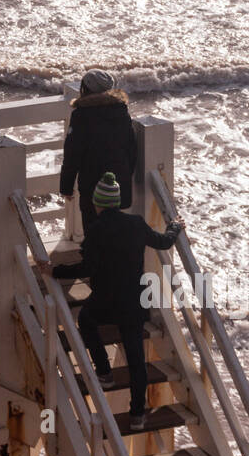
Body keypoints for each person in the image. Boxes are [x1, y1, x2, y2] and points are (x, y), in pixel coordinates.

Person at [43, 172, 183, 432]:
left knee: (86, 320)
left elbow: (86, 268)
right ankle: (137, 414)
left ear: (97, 204)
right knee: (136, 360)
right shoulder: (136, 224)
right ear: (117, 203)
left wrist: (55, 271)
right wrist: (175, 225)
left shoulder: (95, 231)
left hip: (106, 300)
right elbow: (163, 242)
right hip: (134, 301)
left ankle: (104, 372)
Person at [60, 68, 137, 238]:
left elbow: (73, 153)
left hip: (93, 185)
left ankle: (96, 262)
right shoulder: (121, 110)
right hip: (118, 183)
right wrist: (125, 175)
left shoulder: (81, 115)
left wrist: (66, 186)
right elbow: (131, 148)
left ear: (85, 89)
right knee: (115, 233)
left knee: (93, 233)